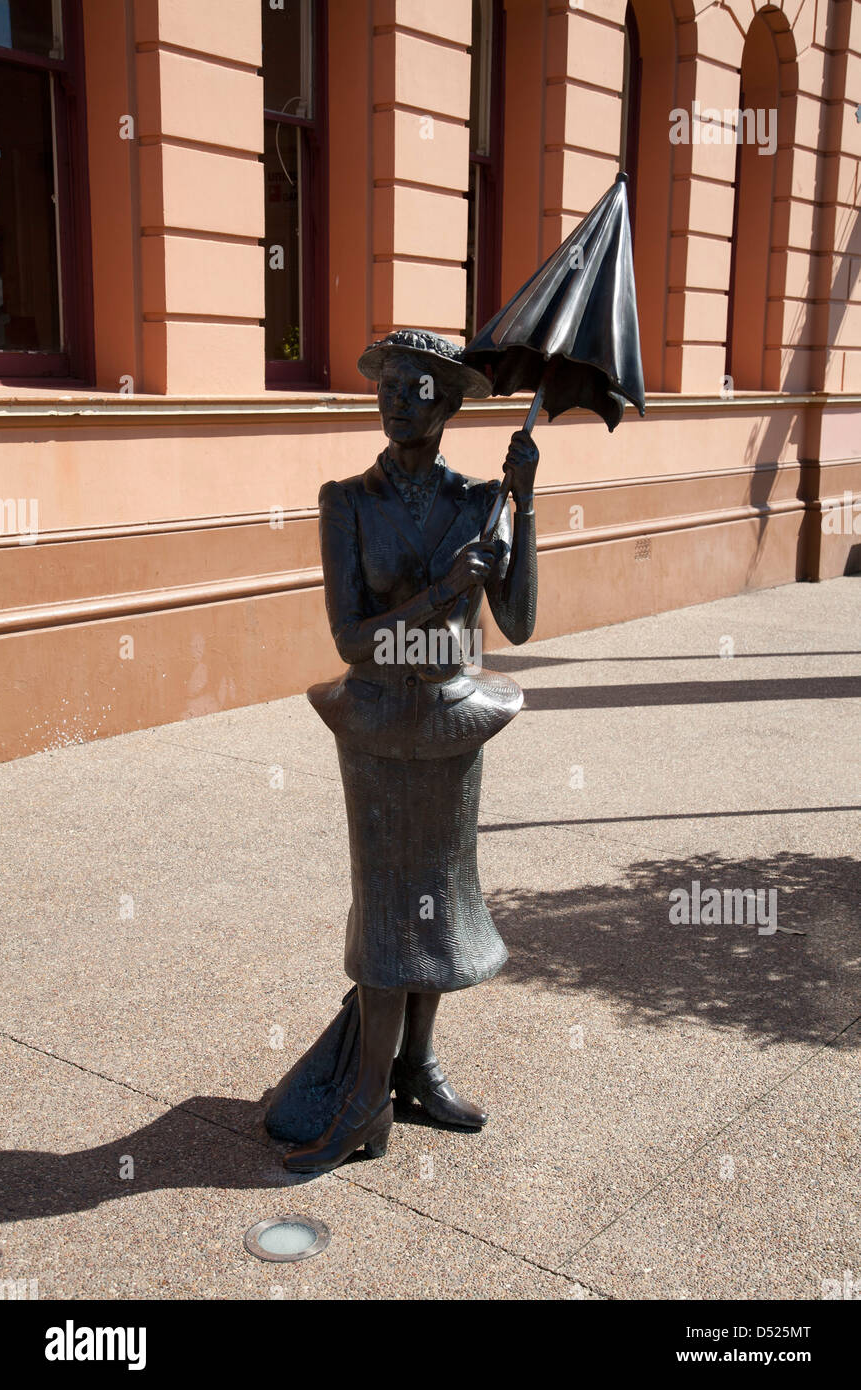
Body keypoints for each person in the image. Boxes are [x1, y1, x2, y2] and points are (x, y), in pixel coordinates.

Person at [283, 329, 538, 1173]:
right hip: (379, 725)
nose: (395, 400)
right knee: (390, 913)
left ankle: (416, 1072)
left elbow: (521, 621)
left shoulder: (478, 502)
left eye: (414, 388)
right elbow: (354, 640)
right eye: (387, 386)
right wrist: (441, 593)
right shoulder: (347, 501)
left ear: (449, 403)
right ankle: (364, 1103)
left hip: (454, 721)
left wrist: (525, 509)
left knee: (442, 905)